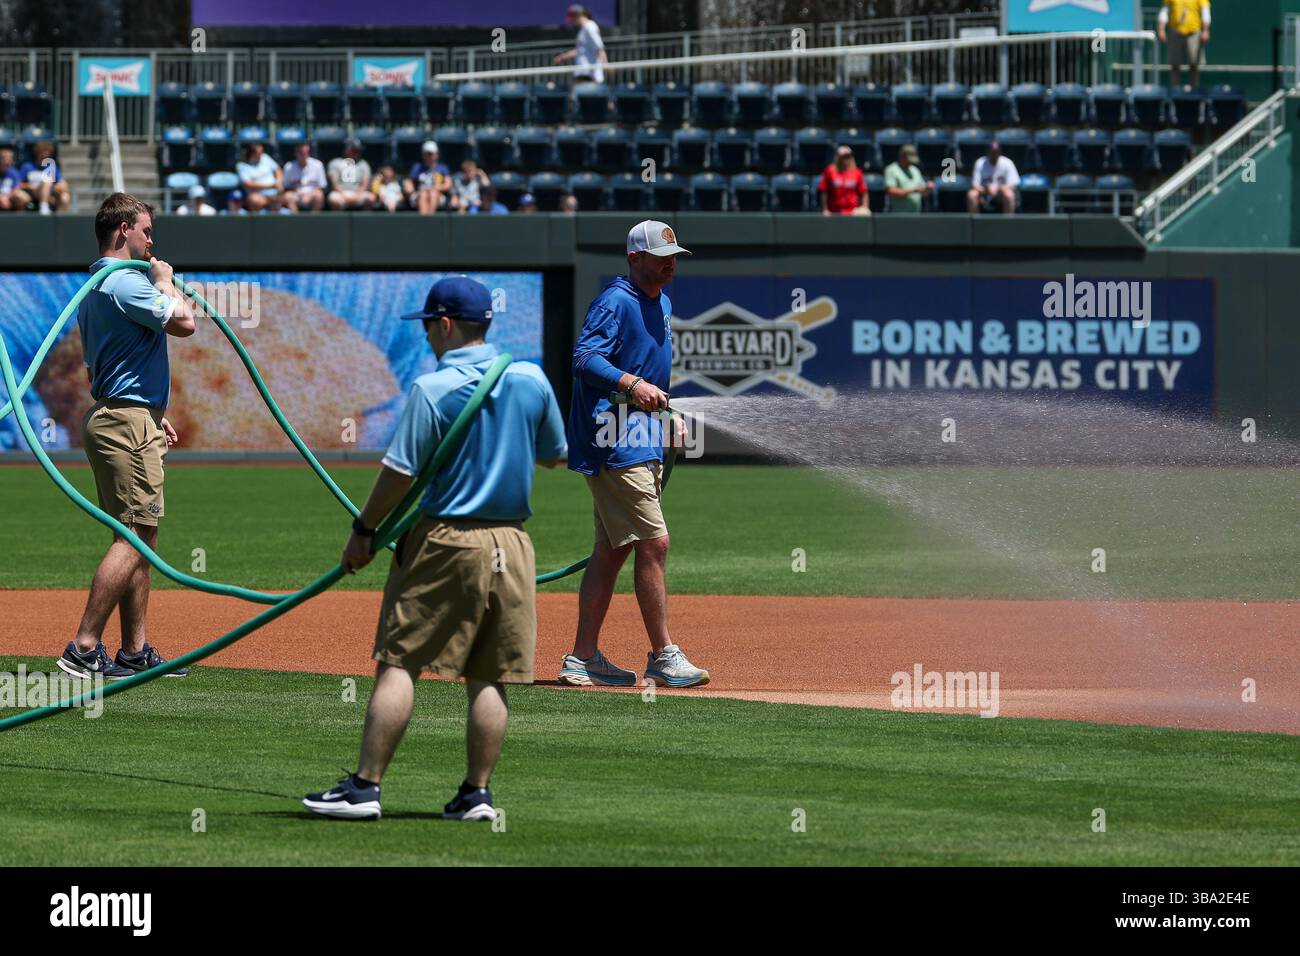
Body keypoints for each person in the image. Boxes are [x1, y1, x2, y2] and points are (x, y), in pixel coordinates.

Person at [303, 276, 566, 822]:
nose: (425, 337)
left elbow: (399, 474)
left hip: (448, 537)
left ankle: (365, 788)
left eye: (428, 325)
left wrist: (364, 530)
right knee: (490, 676)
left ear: (445, 324)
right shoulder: (529, 377)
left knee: (400, 661)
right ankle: (476, 794)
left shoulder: (431, 389)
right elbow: (554, 455)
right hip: (512, 543)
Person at [559, 220, 709, 689]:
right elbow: (584, 359)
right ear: (634, 258)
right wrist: (633, 384)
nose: (670, 264)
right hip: (613, 437)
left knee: (612, 551)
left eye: (674, 257)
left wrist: (669, 414)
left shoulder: (660, 300)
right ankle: (663, 655)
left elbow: (650, 371)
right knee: (654, 542)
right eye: (661, 256)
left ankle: (582, 659)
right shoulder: (615, 301)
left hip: (641, 433)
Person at [56, 193, 197, 681]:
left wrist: (151, 412)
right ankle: (84, 645)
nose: (152, 240)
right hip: (126, 421)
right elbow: (185, 323)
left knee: (141, 530)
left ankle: (134, 652)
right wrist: (165, 282)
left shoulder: (96, 286)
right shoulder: (123, 283)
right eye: (146, 230)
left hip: (127, 416)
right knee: (137, 532)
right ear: (122, 231)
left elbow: (106, 364)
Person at [1159, 0, 1211, 88]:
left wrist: (1205, 30)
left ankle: (1194, 91)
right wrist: (1161, 29)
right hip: (1175, 32)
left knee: (1194, 64)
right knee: (1174, 64)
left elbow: (1205, 12)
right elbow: (1165, 11)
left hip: (1193, 32)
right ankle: (1175, 91)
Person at [554, 4, 607, 84]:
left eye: (573, 18)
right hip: (583, 73)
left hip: (590, 74)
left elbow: (599, 48)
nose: (572, 21)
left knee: (574, 93)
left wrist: (607, 66)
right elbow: (580, 50)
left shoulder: (590, 26)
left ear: (578, 15)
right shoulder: (583, 29)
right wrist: (563, 57)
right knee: (573, 93)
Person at [17, 141, 71, 214]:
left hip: (50, 194)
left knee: (65, 197)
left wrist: (58, 187)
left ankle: (60, 223)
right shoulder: (28, 167)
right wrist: (29, 185)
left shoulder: (51, 167)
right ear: (36, 153)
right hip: (33, 193)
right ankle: (44, 208)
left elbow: (63, 184)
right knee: (47, 179)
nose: (44, 154)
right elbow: (18, 184)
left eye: (47, 152)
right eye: (42, 152)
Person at [967, 140, 1020, 215]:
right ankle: (974, 223)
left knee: (1009, 194)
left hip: (1001, 195)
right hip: (984, 194)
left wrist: (998, 188)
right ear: (988, 152)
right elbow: (974, 185)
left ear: (1000, 152)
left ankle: (1008, 223)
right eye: (992, 152)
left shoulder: (1007, 163)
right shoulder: (980, 163)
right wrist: (986, 190)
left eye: (996, 152)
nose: (994, 154)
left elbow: (1013, 184)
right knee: (972, 194)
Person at [232, 140, 283, 213]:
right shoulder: (241, 165)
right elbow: (248, 184)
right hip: (258, 195)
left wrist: (279, 181)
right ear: (252, 153)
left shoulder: (265, 157)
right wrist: (270, 186)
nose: (262, 153)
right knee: (255, 200)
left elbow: (278, 170)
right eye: (259, 151)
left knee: (290, 198)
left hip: (275, 192)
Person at [819, 145, 868, 216]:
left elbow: (864, 192)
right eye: (843, 157)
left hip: (852, 212)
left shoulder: (857, 172)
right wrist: (825, 209)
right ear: (838, 158)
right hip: (834, 211)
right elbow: (824, 191)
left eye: (848, 157)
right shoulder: (830, 171)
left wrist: (865, 207)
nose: (846, 159)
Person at [883, 144, 933, 214]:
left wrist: (927, 189)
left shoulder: (915, 170)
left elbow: (922, 193)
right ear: (902, 156)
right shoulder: (891, 169)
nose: (910, 162)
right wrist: (912, 190)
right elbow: (891, 192)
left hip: (916, 215)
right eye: (908, 159)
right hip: (897, 216)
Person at [404, 141, 450, 215]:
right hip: (419, 194)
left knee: (433, 193)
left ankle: (430, 221)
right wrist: (410, 188)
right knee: (423, 194)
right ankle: (424, 221)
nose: (429, 156)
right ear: (423, 155)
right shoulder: (417, 167)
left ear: (436, 154)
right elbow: (409, 182)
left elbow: (448, 184)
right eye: (427, 154)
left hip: (437, 194)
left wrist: (438, 187)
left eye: (431, 154)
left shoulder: (442, 168)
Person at [327, 138, 375, 210]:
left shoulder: (363, 164)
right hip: (340, 194)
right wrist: (344, 195)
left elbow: (364, 185)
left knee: (370, 198)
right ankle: (338, 220)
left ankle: (365, 220)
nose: (357, 152)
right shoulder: (335, 162)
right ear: (347, 149)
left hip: (358, 193)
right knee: (333, 198)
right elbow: (335, 184)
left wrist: (357, 196)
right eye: (354, 150)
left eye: (358, 150)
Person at [282, 142, 327, 213]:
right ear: (295, 153)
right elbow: (286, 187)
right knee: (288, 196)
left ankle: (313, 220)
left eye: (306, 152)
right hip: (296, 194)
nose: (303, 155)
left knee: (319, 195)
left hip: (312, 194)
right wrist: (297, 191)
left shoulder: (318, 165)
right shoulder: (289, 166)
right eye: (301, 152)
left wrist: (309, 194)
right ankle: (296, 220)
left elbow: (322, 186)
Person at [0, 148, 27, 212]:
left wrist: (6, 197)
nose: (7, 161)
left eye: (9, 159)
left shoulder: (14, 172)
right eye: (4, 159)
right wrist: (1, 198)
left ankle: (19, 219)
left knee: (22, 197)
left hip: (9, 196)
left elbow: (16, 188)